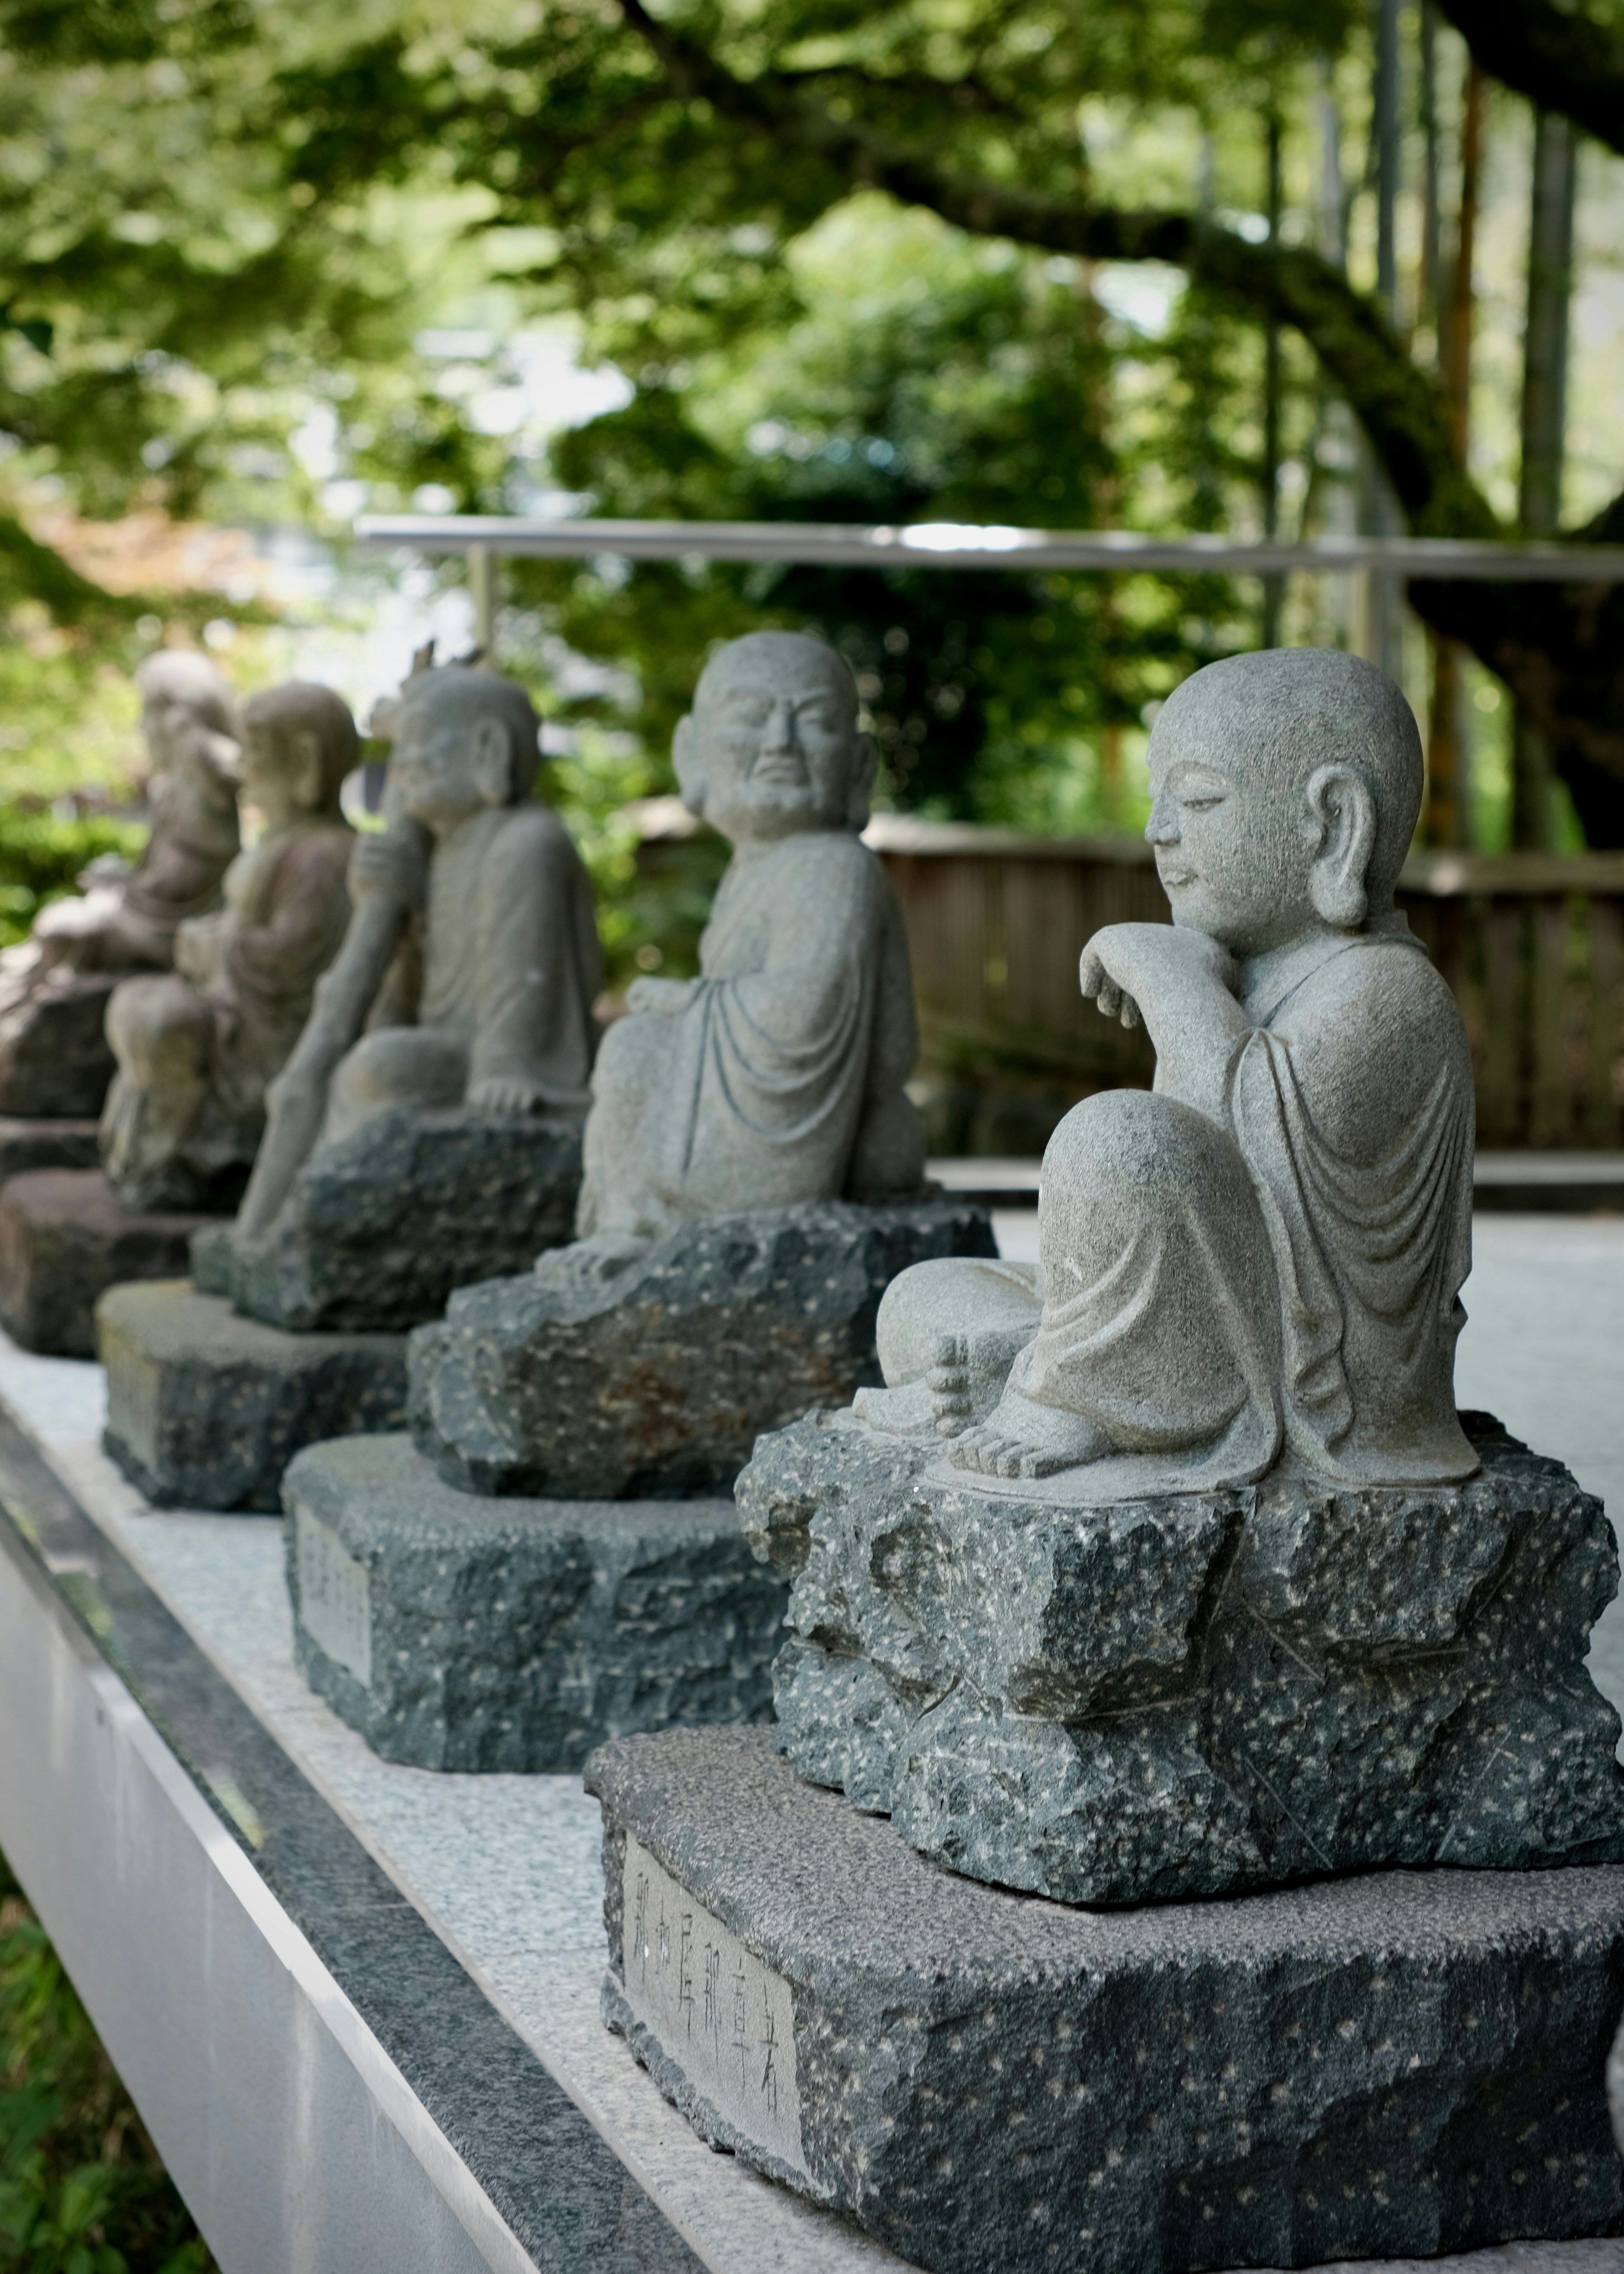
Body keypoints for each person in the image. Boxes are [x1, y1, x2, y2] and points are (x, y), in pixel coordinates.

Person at [862, 646, 1478, 1494]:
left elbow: (1228, 1168)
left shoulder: (1384, 991)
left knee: (1117, 1135)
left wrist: (1165, 979)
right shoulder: (1240, 970)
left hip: (1310, 1373)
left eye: (1197, 799)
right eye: (1162, 799)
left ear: (1332, 824)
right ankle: (1063, 1366)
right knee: (921, 1300)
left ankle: (1061, 1388)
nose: (1157, 828)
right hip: (1202, 1322)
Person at [576, 630, 926, 1242]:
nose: (780, 744)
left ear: (858, 764)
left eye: (812, 721)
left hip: (826, 1136)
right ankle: (627, 1222)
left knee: (634, 1048)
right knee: (634, 1047)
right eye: (750, 718)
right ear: (693, 754)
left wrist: (688, 1004)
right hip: (785, 1109)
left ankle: (645, 1221)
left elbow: (803, 1014)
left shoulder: (832, 865)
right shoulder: (753, 870)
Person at [99, 682, 359, 1210]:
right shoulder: (278, 842)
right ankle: (148, 1155)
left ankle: (187, 1159)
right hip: (226, 1004)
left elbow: (293, 959)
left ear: (304, 760)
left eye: (255, 753)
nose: (242, 768)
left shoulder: (326, 853)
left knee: (162, 1024)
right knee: (138, 1006)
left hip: (264, 1037)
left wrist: (221, 945)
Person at [26, 650, 241, 974]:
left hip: (171, 931)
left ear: (173, 719)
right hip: (152, 917)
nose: (140, 724)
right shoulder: (170, 790)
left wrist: (117, 895)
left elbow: (179, 888)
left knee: (60, 929)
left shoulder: (204, 793)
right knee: (60, 924)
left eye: (147, 711)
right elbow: (160, 880)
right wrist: (122, 882)